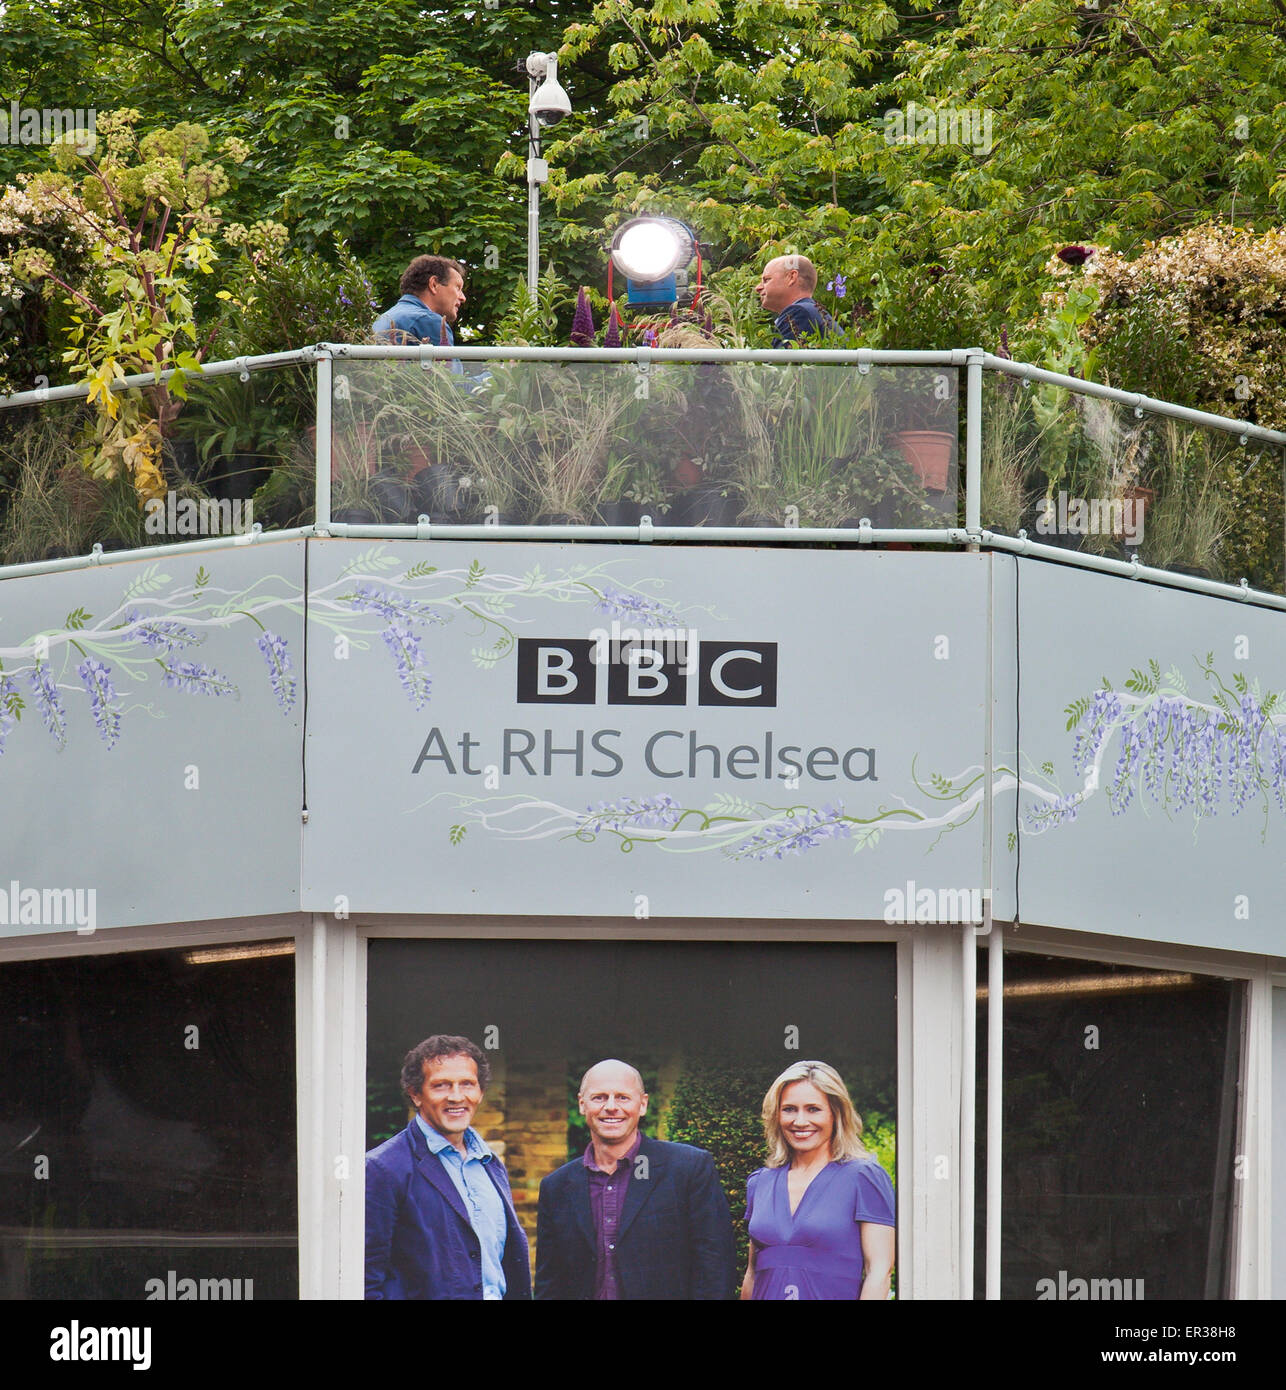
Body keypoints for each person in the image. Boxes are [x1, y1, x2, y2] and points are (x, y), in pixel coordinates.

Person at [535, 1058, 736, 1300]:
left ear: (642, 1105)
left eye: (622, 1097)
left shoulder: (688, 1169)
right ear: (582, 1104)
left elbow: (715, 1266)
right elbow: (550, 1283)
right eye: (599, 1097)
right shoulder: (556, 1187)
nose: (611, 1106)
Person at [365, 1034, 531, 1300]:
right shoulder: (382, 1169)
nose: (457, 1097)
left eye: (467, 1084)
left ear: (480, 1092)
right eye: (441, 1085)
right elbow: (366, 1282)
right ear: (416, 1094)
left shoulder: (490, 1164)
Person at [740, 1059, 895, 1301]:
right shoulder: (760, 1183)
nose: (800, 1121)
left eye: (813, 1109)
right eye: (789, 1109)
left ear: (836, 1114)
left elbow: (879, 1273)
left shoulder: (864, 1178)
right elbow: (752, 1274)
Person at [372, 254, 467, 347]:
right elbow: (447, 363)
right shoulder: (428, 321)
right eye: (458, 288)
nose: (463, 298)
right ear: (434, 284)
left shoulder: (382, 320)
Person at [754, 254, 837, 347]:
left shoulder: (799, 313)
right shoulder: (810, 311)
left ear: (792, 277)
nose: (758, 288)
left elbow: (781, 360)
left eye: (766, 280)